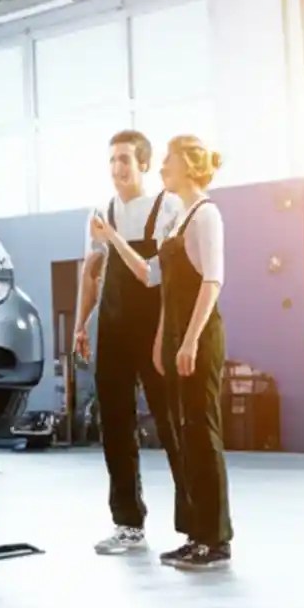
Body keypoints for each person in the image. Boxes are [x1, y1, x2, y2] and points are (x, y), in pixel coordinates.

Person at [90, 134, 232, 570]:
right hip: (168, 337)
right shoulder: (180, 217)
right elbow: (152, 276)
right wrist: (112, 236)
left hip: (196, 338)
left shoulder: (202, 214)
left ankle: (214, 538)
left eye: (168, 159)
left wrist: (187, 340)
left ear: (185, 165)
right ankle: (194, 535)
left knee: (197, 435)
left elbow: (212, 281)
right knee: (187, 435)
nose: (164, 166)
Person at [74, 129, 186, 556]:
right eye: (112, 160)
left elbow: (161, 275)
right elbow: (91, 272)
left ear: (143, 163)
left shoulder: (166, 206)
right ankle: (128, 524)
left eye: (124, 159)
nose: (117, 168)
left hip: (156, 329)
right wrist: (81, 325)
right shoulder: (100, 212)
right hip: (114, 331)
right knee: (115, 427)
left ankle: (195, 524)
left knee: (172, 423)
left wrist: (166, 337)